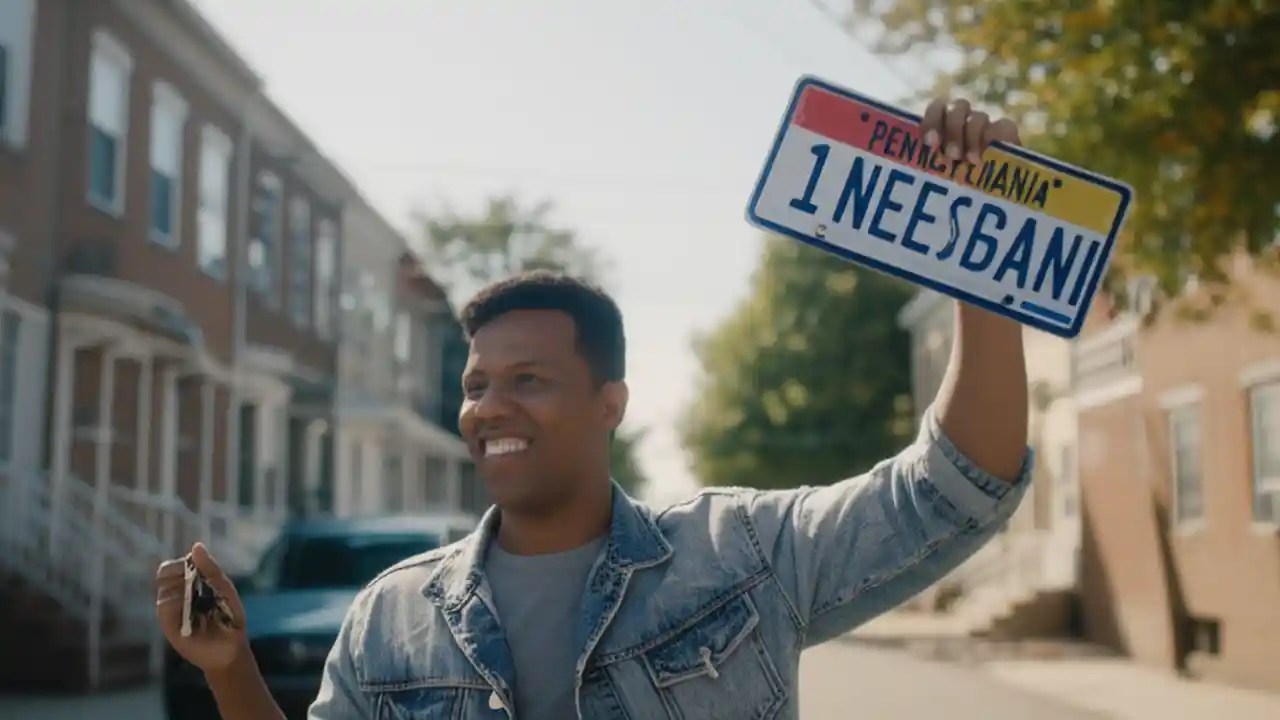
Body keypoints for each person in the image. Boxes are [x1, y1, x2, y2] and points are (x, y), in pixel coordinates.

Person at [155, 96, 1032, 719]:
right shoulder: (394, 616)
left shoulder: (743, 557)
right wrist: (231, 673)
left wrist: (975, 263)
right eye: (475, 385)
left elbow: (951, 492)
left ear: (610, 402)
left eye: (528, 379)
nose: (489, 406)